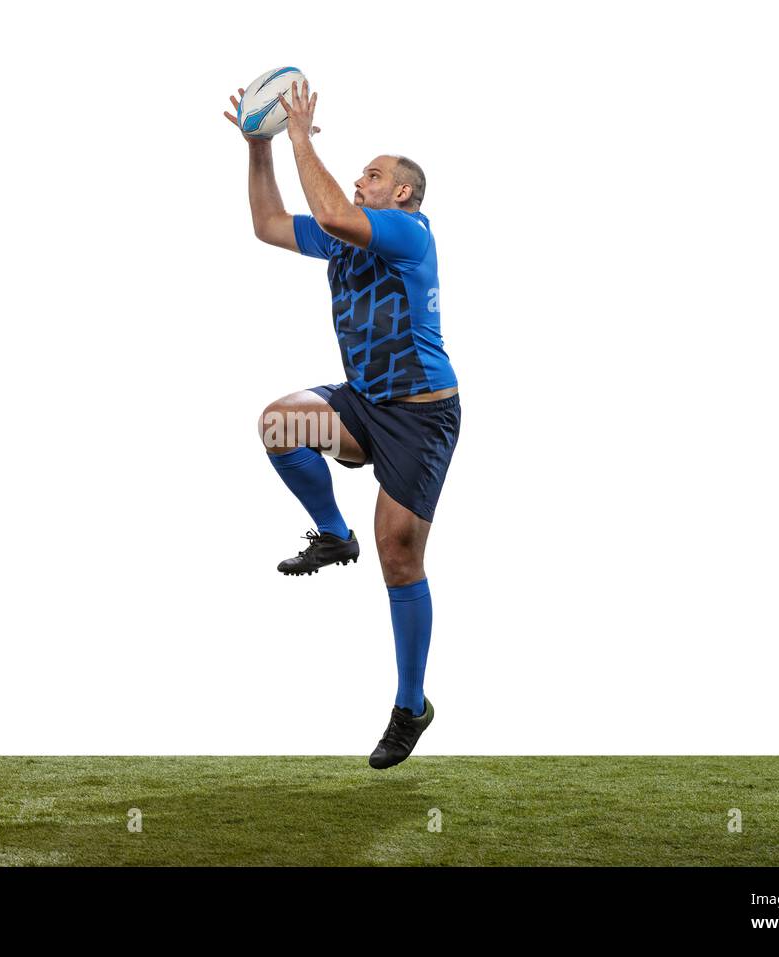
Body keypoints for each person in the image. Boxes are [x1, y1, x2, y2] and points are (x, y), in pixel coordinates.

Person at [224, 80, 461, 770]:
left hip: (420, 419)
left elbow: (328, 211)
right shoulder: (343, 242)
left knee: (400, 557)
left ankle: (410, 706)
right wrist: (260, 148)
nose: (362, 179)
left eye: (374, 174)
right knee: (279, 426)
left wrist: (299, 132)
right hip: (364, 403)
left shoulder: (409, 233)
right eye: (361, 172)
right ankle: (333, 534)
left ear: (404, 195)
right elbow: (268, 223)